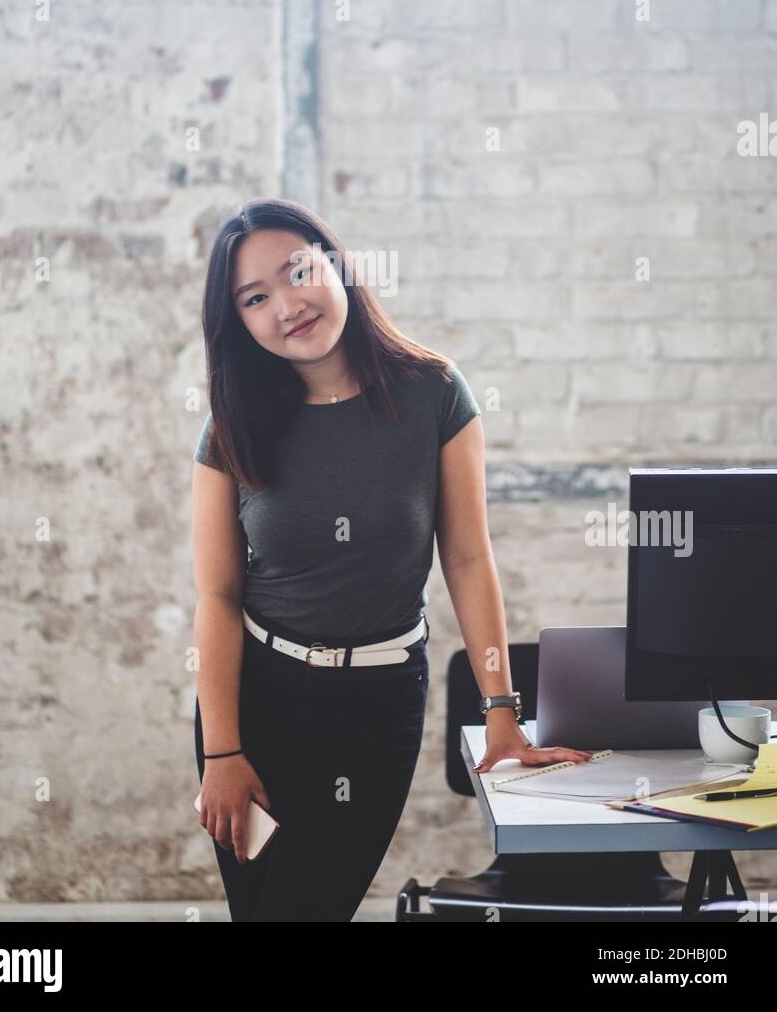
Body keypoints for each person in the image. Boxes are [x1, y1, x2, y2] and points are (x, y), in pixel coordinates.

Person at [190, 197, 592, 922]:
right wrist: (222, 753)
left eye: (298, 272)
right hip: (257, 706)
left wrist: (503, 715)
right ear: (241, 324)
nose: (287, 306)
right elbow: (217, 596)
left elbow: (468, 558)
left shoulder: (434, 392)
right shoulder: (232, 425)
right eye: (255, 298)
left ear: (336, 263)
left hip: (375, 709)